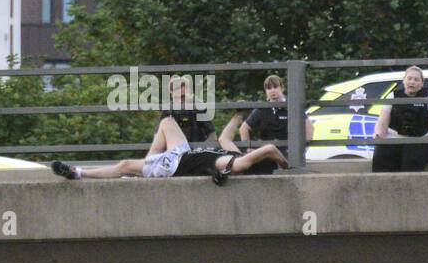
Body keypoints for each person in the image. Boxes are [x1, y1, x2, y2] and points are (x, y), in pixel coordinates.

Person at [50, 113, 287, 185]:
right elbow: (226, 135)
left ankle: (77, 172)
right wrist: (239, 116)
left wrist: (285, 164)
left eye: (250, 155)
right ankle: (146, 165)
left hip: (174, 165)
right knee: (167, 121)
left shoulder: (232, 163)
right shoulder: (233, 152)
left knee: (124, 165)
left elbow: (267, 149)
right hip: (178, 152)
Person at [371, 66, 428, 172]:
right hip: (393, 139)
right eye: (409, 78)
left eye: (416, 79)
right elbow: (382, 123)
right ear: (404, 81)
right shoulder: (393, 96)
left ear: (422, 83)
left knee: (411, 160)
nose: (412, 82)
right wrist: (378, 136)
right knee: (381, 157)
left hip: (418, 141)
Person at [239, 75, 313, 158]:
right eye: (269, 88)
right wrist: (248, 149)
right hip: (266, 154)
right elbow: (243, 128)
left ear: (282, 88)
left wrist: (303, 148)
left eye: (275, 87)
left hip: (288, 153)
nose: (272, 90)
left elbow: (308, 127)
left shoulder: (292, 106)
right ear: (266, 91)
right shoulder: (261, 109)